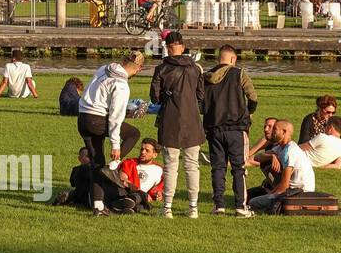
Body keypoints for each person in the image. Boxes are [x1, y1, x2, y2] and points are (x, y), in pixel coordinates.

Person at [150, 32, 205, 218]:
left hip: (170, 120)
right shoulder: (195, 68)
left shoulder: (162, 69)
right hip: (192, 122)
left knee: (170, 165)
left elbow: (155, 97)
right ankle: (193, 207)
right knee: (192, 165)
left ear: (167, 47)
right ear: (182, 47)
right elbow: (201, 95)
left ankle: (167, 207)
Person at [202, 44, 258, 217]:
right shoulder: (238, 73)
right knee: (239, 168)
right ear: (233, 58)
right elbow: (253, 96)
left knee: (217, 168)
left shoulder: (206, 76)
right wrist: (249, 111)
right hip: (236, 128)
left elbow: (199, 103)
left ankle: (219, 205)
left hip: (213, 128)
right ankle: (241, 206)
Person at [76, 53, 143, 167]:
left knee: (97, 163)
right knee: (133, 134)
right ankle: (114, 164)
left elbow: (93, 93)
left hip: (82, 118)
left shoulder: (103, 69)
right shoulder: (121, 85)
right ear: (139, 69)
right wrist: (116, 146)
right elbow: (115, 117)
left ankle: (97, 180)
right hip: (96, 120)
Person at [248, 121, 315, 212]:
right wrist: (272, 156)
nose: (272, 132)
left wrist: (271, 195)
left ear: (284, 132)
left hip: (298, 193)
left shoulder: (289, 152)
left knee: (253, 202)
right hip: (292, 190)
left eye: (275, 129)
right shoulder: (281, 148)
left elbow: (284, 185)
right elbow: (257, 157)